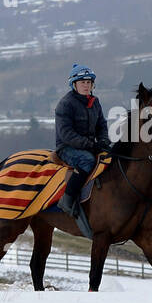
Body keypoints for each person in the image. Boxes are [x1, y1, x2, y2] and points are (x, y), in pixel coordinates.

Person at [55, 63, 111, 217]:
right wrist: (91, 145)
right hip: (67, 148)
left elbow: (102, 125)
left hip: (88, 146)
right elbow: (66, 134)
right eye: (82, 82)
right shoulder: (65, 104)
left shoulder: (95, 102)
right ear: (74, 84)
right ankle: (67, 200)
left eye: (89, 82)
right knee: (87, 161)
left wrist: (104, 141)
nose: (86, 86)